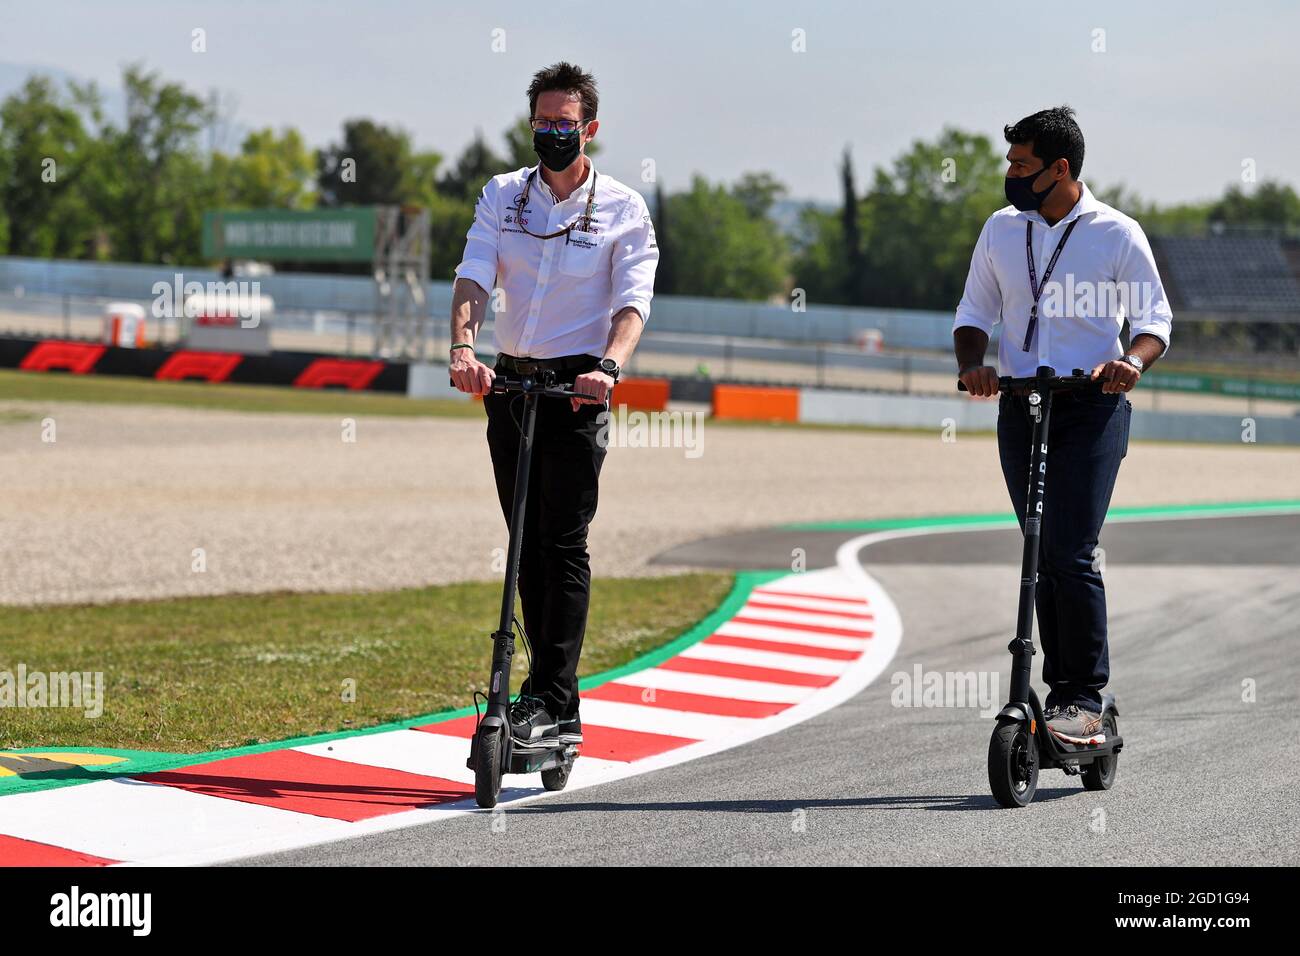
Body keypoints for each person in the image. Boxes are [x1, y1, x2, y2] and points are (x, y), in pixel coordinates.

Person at [448, 62, 658, 750]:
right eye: (542, 122)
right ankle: (532, 693)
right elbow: (475, 273)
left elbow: (632, 300)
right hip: (510, 385)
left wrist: (609, 366)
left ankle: (557, 701)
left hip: (576, 390)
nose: (552, 134)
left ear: (589, 128)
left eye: (564, 124)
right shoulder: (503, 195)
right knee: (522, 545)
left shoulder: (623, 207)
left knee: (560, 541)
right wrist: (462, 348)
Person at [953, 106, 1172, 745]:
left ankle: (1083, 697)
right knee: (1038, 548)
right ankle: (1053, 696)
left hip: (1091, 405)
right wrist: (974, 366)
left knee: (1071, 549)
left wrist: (1131, 361)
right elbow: (974, 310)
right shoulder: (1001, 230)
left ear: (1061, 169)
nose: (1010, 174)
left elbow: (1154, 319)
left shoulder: (1117, 234)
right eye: (1010, 162)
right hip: (1021, 403)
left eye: (1021, 164)